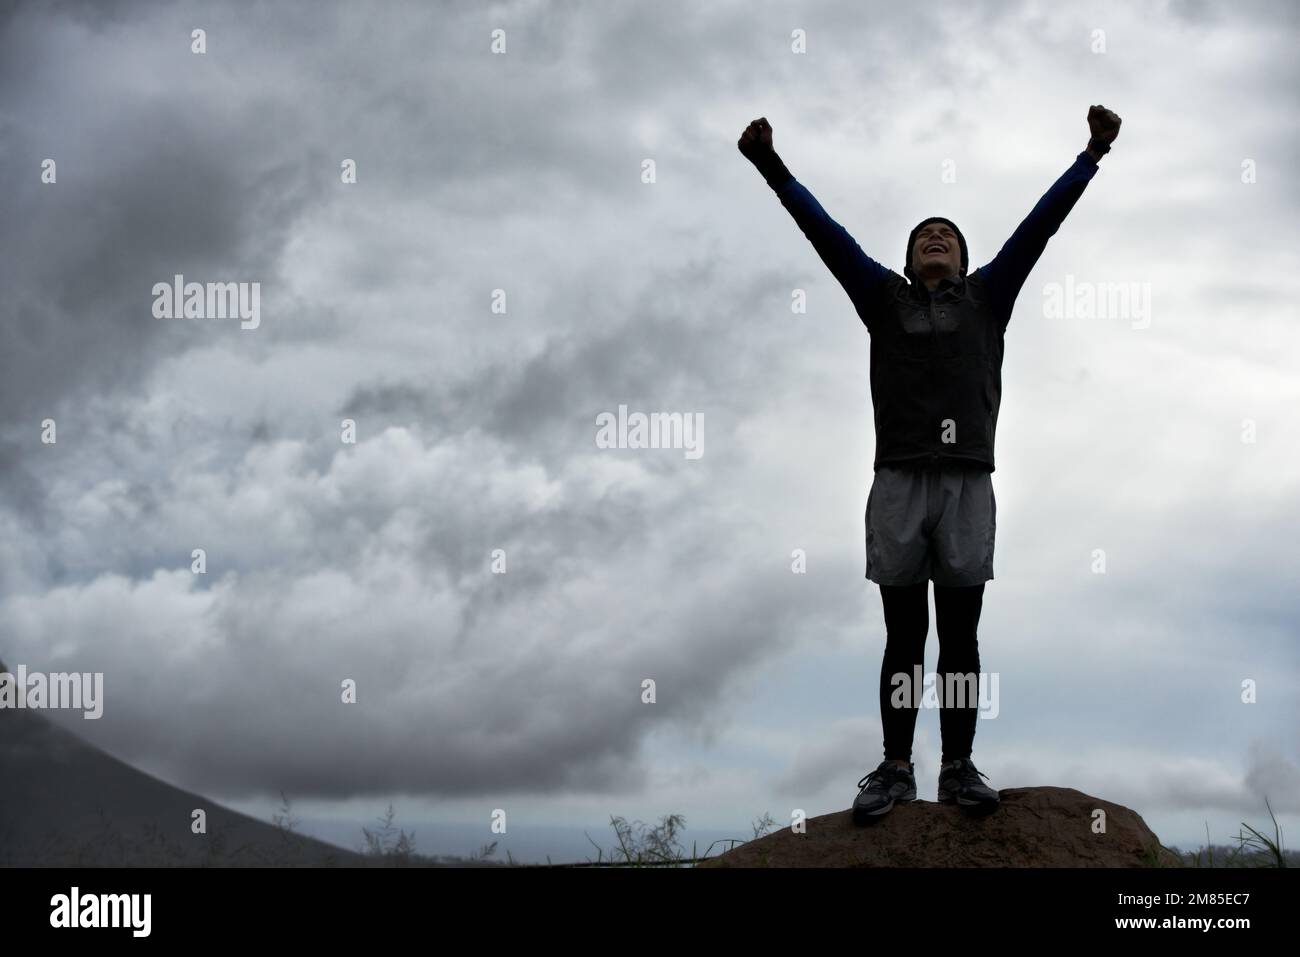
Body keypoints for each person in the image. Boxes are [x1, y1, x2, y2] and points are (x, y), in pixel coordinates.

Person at [737, 106, 1121, 822]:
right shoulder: (883, 299)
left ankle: (958, 765)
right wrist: (770, 165)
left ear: (965, 259)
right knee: (905, 634)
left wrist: (1091, 153)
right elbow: (826, 235)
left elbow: (1041, 224)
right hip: (899, 478)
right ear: (909, 260)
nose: (934, 239)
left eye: (946, 235)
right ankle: (893, 767)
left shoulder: (989, 298)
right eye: (922, 237)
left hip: (969, 478)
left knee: (963, 635)